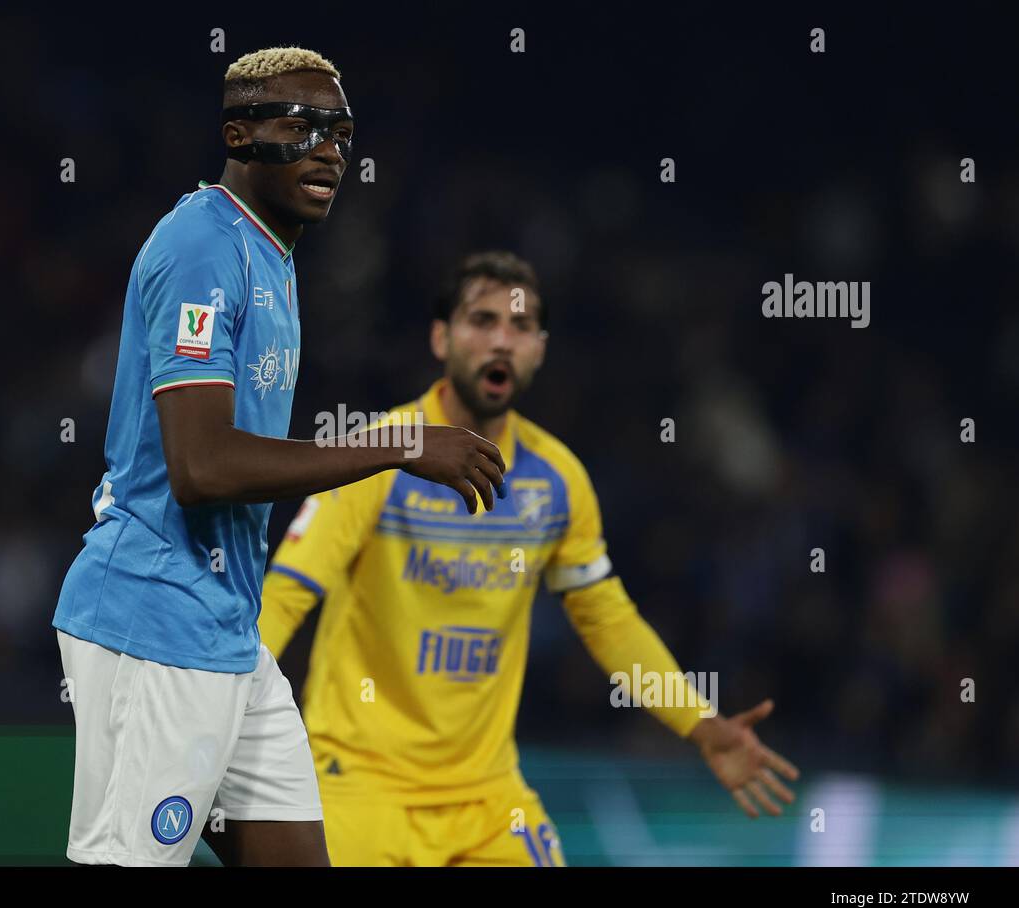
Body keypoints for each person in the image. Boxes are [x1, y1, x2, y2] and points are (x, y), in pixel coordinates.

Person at [52, 49, 505, 867]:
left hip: (226, 626)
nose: (329, 149)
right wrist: (398, 443)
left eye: (341, 133)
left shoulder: (270, 253)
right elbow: (203, 469)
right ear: (238, 133)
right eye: (302, 127)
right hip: (153, 617)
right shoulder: (200, 245)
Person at [259, 250, 800, 866]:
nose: (501, 341)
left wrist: (700, 724)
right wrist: (222, 715)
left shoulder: (557, 479)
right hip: (357, 786)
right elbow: (287, 593)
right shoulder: (374, 455)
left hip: (487, 798)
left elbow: (608, 621)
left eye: (520, 327)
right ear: (440, 337)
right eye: (482, 321)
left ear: (540, 348)